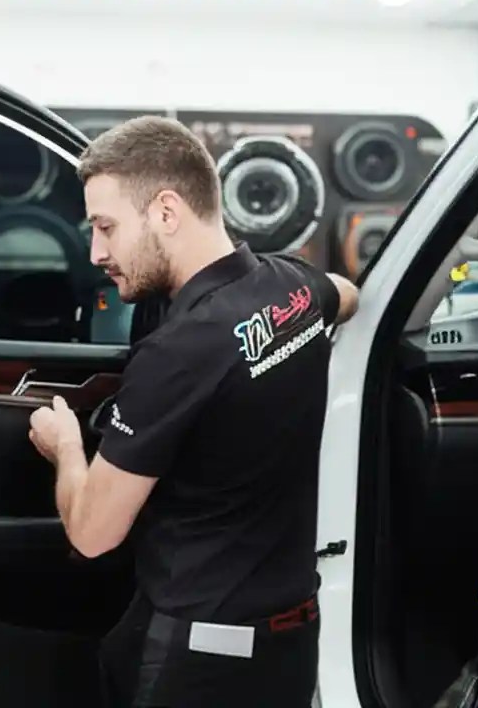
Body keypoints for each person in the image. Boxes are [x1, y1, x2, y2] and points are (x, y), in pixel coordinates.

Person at [27, 116, 359, 708]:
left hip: (203, 660)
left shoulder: (180, 353)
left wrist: (68, 446)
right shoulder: (291, 286)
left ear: (165, 211)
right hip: (291, 642)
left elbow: (93, 534)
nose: (96, 251)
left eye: (105, 227)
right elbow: (347, 294)